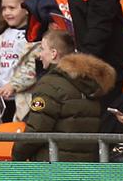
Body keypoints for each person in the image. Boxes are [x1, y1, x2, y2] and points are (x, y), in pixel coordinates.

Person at [12, 31, 116, 162]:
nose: (40, 55)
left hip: (52, 168)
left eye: (43, 49)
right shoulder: (89, 83)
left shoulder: (49, 84)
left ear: (54, 53)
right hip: (83, 168)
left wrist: (17, 155)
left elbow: (37, 129)